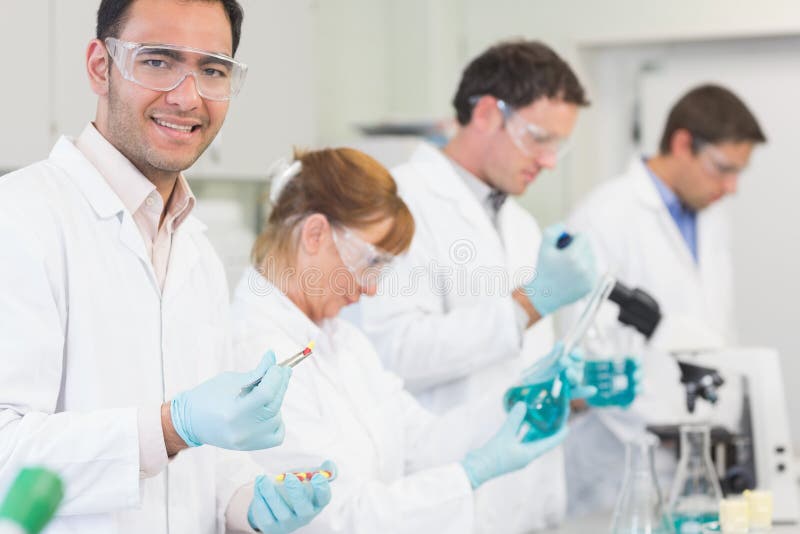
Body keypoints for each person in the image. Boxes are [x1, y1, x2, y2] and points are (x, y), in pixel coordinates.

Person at [0, 1, 330, 532]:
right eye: (157, 61)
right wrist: (171, 428)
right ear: (99, 66)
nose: (187, 96)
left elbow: (207, 462)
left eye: (213, 69)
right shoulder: (18, 219)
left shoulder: (198, 249)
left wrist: (250, 505)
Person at [230, 147, 577, 533]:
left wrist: (513, 402)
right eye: (372, 263)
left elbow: (418, 441)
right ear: (314, 234)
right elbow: (338, 515)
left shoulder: (342, 341)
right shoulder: (254, 354)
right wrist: (469, 477)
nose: (373, 289)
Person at [358, 40, 596, 531]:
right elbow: (391, 353)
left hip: (522, 503)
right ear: (487, 113)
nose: (549, 161)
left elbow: (512, 367)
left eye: (559, 145)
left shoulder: (523, 224)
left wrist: (568, 386)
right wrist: (528, 305)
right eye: (539, 138)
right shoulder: (400, 204)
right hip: (444, 497)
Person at [562, 84, 767, 515]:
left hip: (701, 452)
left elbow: (716, 328)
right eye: (722, 168)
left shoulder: (712, 219)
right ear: (681, 143)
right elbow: (585, 348)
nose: (730, 187)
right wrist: (673, 427)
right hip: (621, 463)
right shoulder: (605, 216)